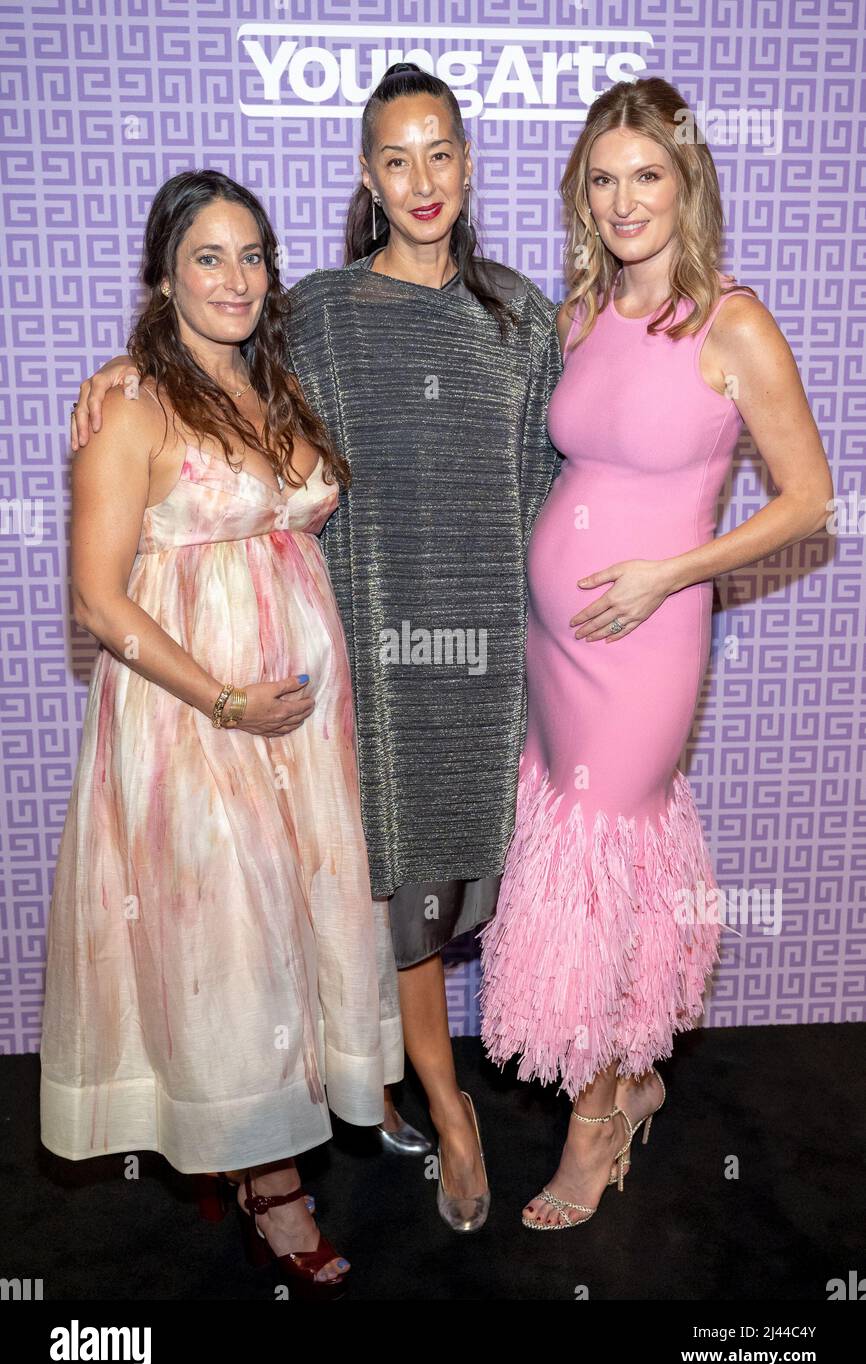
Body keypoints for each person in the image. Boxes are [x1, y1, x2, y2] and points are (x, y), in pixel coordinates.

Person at [69, 64, 563, 1233]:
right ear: (365, 174)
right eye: (394, 157)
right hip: (355, 675)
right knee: (379, 898)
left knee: (451, 895)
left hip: (485, 662)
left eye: (438, 151)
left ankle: (385, 1091)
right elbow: (202, 356)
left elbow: (554, 476)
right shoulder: (324, 312)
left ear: (467, 161)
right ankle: (443, 1114)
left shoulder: (522, 314)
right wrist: (116, 370)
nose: (420, 179)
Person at [478, 76, 833, 1230]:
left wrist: (669, 573)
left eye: (647, 176)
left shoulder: (730, 319)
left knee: (598, 860)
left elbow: (810, 499)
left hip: (647, 638)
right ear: (581, 194)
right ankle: (627, 1076)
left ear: (686, 187)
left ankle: (594, 1129)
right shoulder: (581, 312)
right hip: (554, 647)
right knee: (590, 860)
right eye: (603, 178)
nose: (624, 199)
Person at [41, 170, 403, 1295]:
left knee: (293, 929)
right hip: (193, 724)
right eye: (208, 256)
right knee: (227, 945)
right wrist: (226, 700)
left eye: (252, 256)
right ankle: (271, 1188)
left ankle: (267, 1140)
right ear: (163, 275)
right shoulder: (130, 407)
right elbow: (100, 602)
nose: (236, 278)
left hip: (298, 730)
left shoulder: (278, 386)